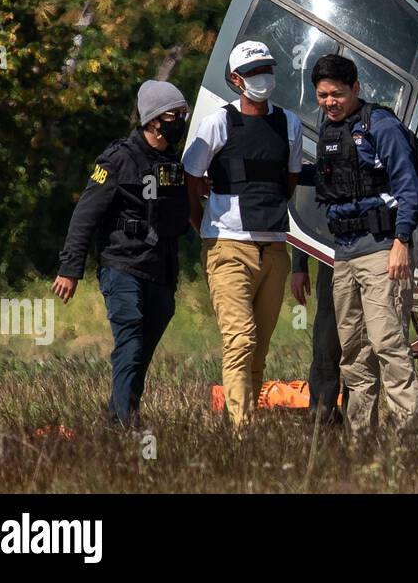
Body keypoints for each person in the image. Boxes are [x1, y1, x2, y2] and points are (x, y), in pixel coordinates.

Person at [54, 79, 191, 428]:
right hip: (123, 266)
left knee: (142, 347)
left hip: (162, 269)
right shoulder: (117, 159)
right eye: (176, 115)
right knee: (129, 337)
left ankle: (118, 410)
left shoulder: (174, 161)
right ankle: (124, 424)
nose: (181, 121)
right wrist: (70, 269)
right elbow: (85, 215)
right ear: (154, 120)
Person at [182, 40, 302, 428]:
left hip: (275, 248)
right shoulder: (218, 122)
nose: (262, 78)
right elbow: (190, 177)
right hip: (228, 246)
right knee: (241, 340)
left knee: (259, 347)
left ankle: (246, 423)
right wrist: (204, 227)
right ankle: (240, 429)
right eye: (252, 73)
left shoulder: (290, 123)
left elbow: (291, 179)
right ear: (236, 80)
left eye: (266, 69)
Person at [310, 53, 418, 438]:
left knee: (389, 344)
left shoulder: (381, 126)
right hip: (342, 255)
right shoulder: (327, 130)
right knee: (354, 354)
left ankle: (406, 435)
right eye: (324, 95)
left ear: (356, 89)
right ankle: (361, 437)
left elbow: (409, 191)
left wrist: (401, 242)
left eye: (338, 94)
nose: (330, 102)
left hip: (382, 251)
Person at [289, 247, 350, 425]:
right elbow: (308, 219)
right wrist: (299, 266)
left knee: (359, 351)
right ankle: (321, 421)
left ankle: (356, 426)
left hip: (369, 252)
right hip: (330, 256)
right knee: (326, 344)